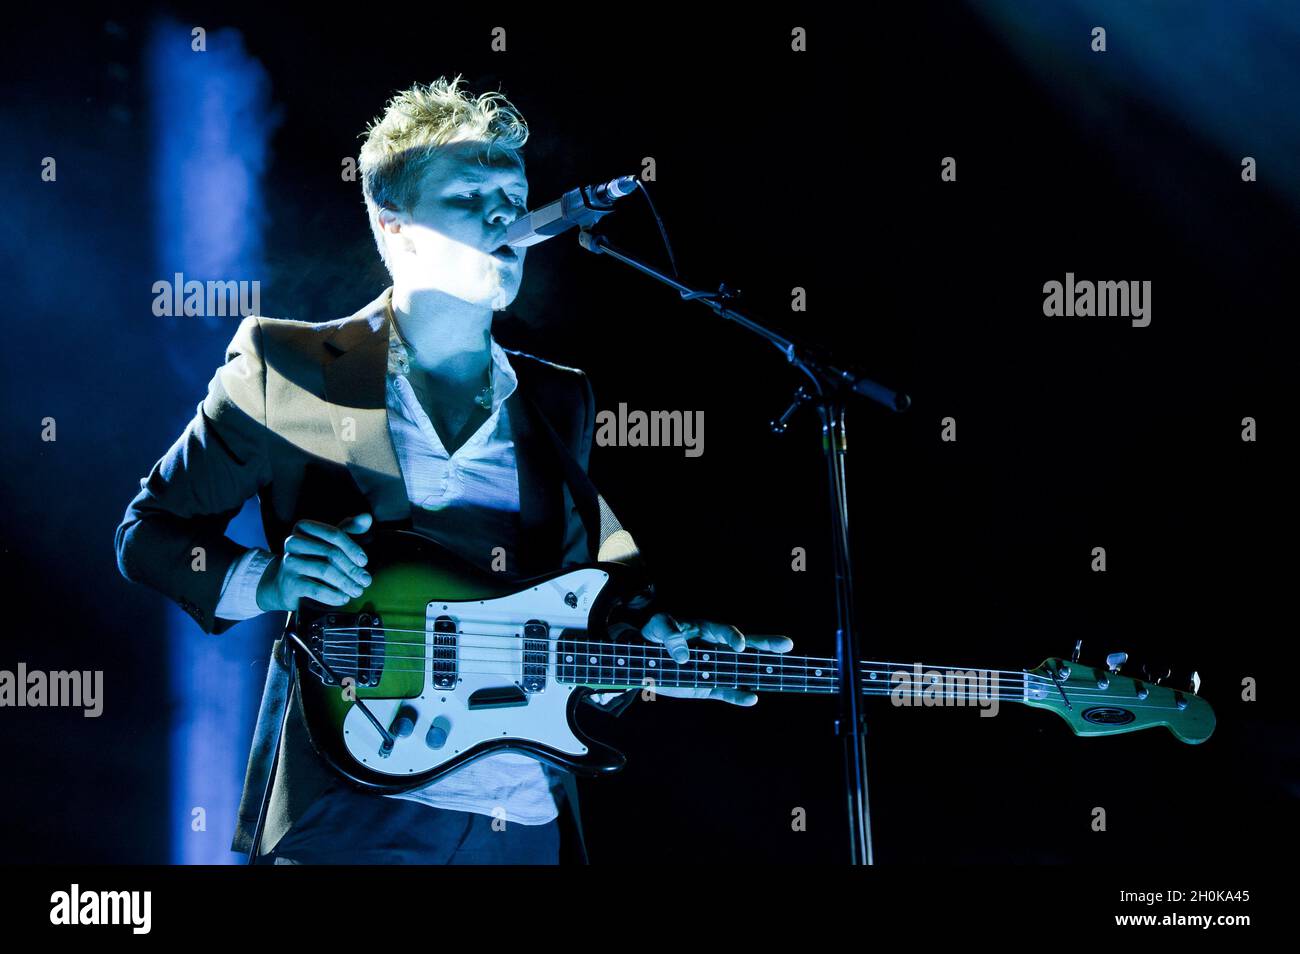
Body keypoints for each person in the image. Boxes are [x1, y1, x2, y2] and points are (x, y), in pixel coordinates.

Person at [115, 76, 792, 864]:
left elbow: (584, 601)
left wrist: (650, 654)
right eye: (470, 195)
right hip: (353, 809)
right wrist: (269, 579)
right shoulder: (286, 366)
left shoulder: (559, 401)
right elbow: (149, 535)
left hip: (523, 815)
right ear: (395, 228)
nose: (505, 213)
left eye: (514, 193)